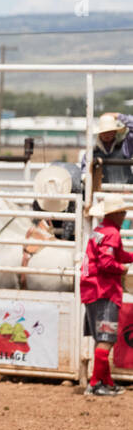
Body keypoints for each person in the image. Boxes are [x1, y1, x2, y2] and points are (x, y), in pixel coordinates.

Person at [81, 193, 132, 396]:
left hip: (91, 290)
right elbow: (107, 263)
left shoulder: (100, 231)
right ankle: (94, 384)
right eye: (122, 212)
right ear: (116, 214)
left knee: (101, 337)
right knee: (106, 338)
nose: (125, 215)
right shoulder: (112, 233)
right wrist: (123, 269)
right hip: (104, 291)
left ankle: (105, 382)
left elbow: (114, 255)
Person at [93, 112, 133, 187]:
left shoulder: (125, 147)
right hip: (102, 195)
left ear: (115, 132)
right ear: (100, 134)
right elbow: (84, 173)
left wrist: (118, 116)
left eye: (110, 131)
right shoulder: (93, 153)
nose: (107, 134)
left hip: (126, 193)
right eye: (104, 132)